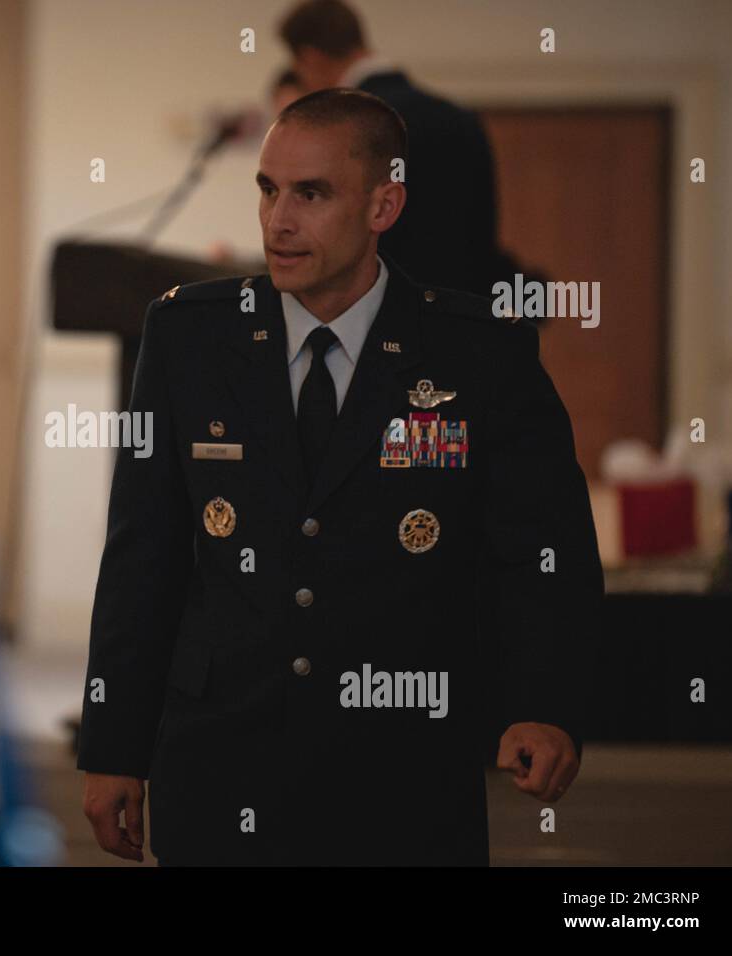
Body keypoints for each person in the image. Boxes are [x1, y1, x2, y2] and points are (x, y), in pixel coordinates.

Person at [76, 89, 602, 866]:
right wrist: (113, 743)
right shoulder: (189, 335)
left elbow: (543, 553)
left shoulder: (476, 352)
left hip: (401, 768)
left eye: (311, 194)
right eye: (267, 189)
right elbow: (141, 555)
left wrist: (545, 707)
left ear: (383, 204)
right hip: (223, 760)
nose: (278, 221)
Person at [278, 0, 522, 298]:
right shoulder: (459, 118)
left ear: (310, 58)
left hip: (389, 321)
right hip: (464, 317)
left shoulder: (348, 129)